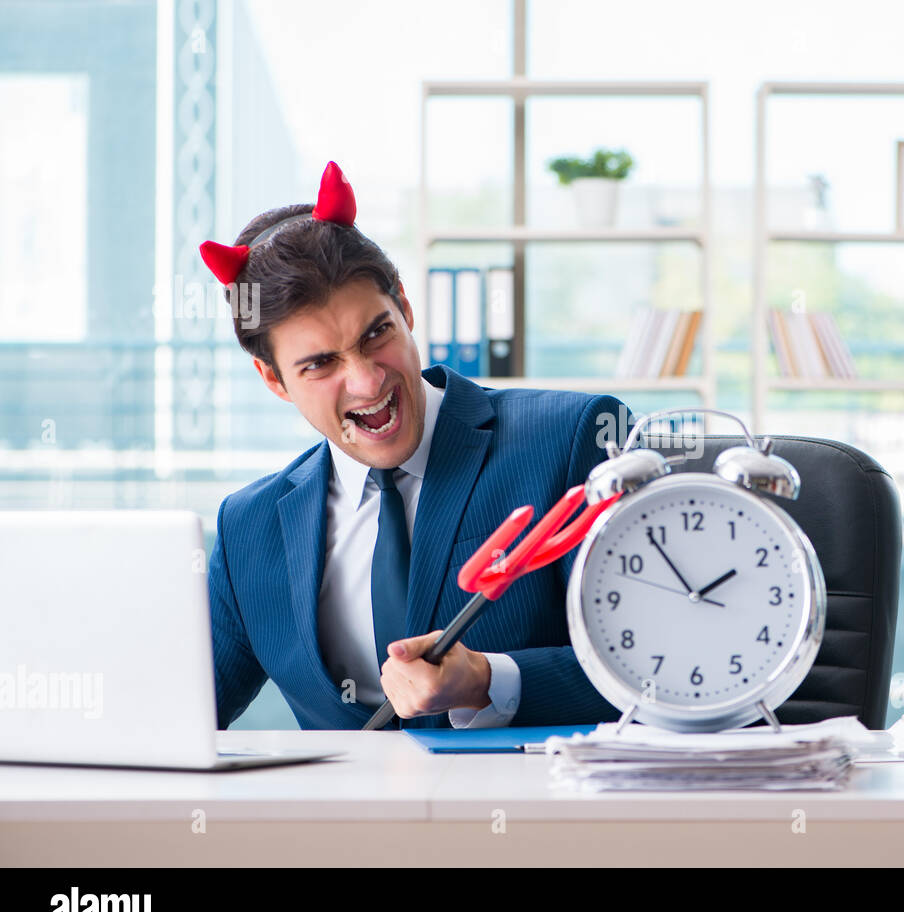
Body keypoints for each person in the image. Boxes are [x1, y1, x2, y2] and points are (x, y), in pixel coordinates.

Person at [201, 161, 627, 730]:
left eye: (376, 334)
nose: (367, 381)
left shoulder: (572, 439)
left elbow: (661, 666)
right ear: (274, 380)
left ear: (404, 307)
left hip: (529, 813)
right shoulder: (248, 528)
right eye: (322, 363)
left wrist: (487, 680)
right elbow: (179, 715)